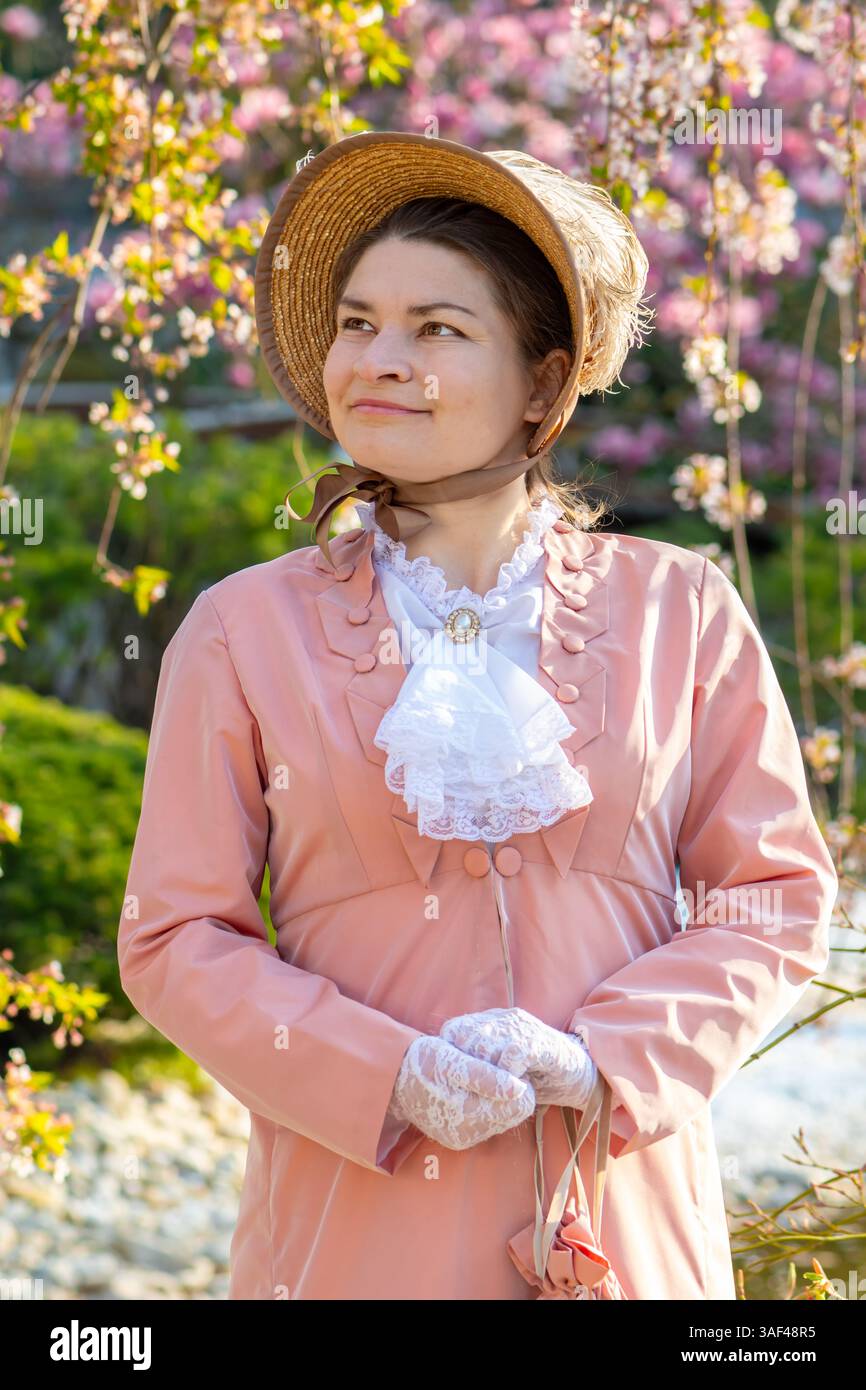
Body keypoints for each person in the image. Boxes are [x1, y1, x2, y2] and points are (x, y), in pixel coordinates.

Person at [117, 131, 838, 1301]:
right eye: (357, 323)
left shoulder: (680, 608)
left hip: (619, 1215)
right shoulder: (240, 629)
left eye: (436, 329)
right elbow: (173, 936)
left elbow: (771, 898)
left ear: (544, 381)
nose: (378, 360)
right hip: (355, 1223)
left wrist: (603, 1058)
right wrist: (383, 1074)